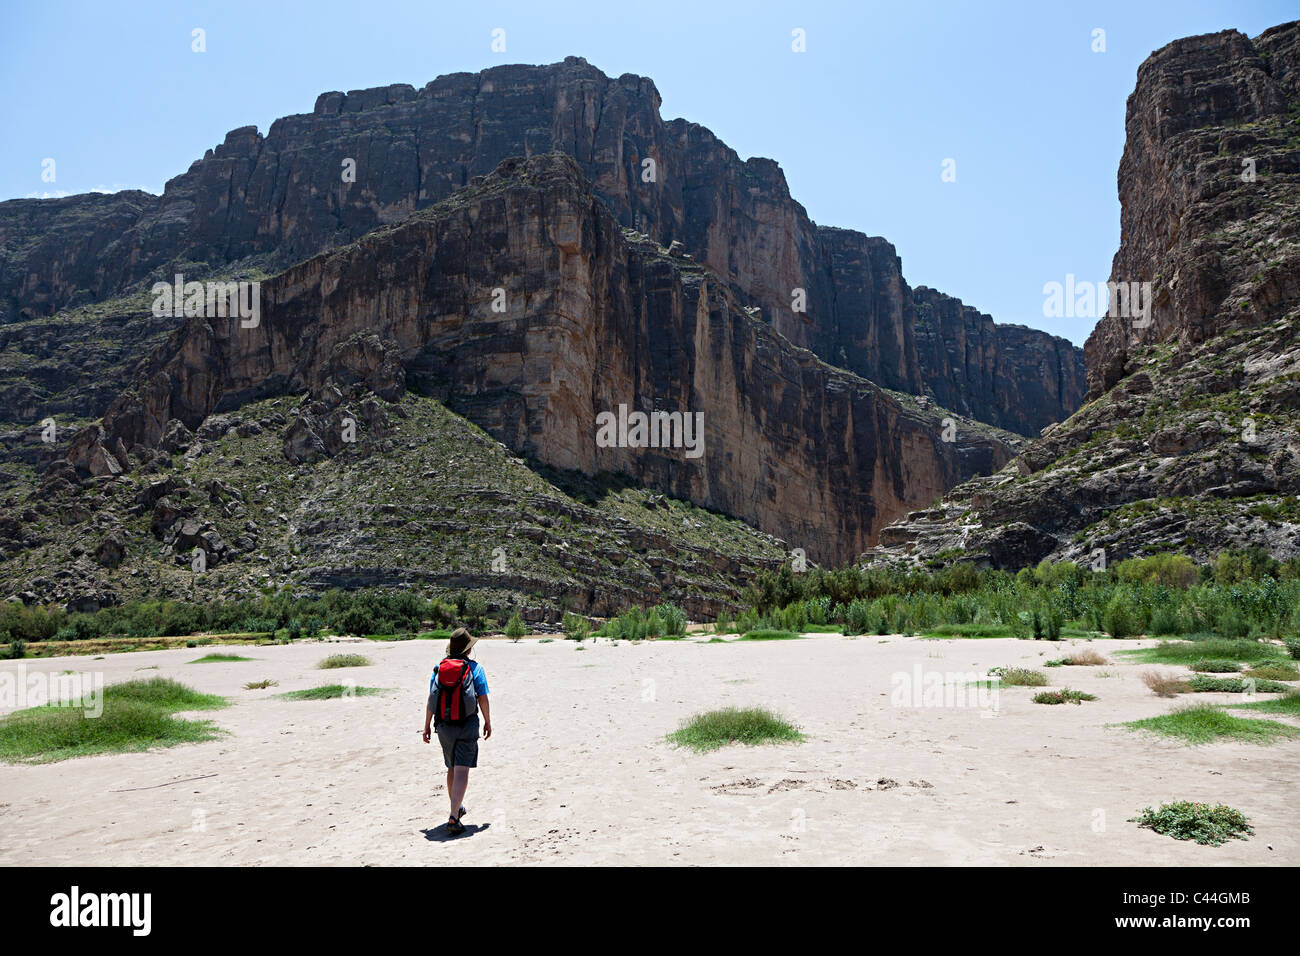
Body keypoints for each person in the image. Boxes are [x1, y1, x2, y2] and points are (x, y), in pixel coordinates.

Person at [423, 627, 491, 834]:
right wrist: (488, 721)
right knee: (462, 769)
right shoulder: (475, 669)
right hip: (467, 723)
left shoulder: (438, 668)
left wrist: (426, 725)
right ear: (468, 650)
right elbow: (483, 698)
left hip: (443, 725)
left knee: (452, 767)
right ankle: (453, 816)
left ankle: (456, 807)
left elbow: (431, 699)